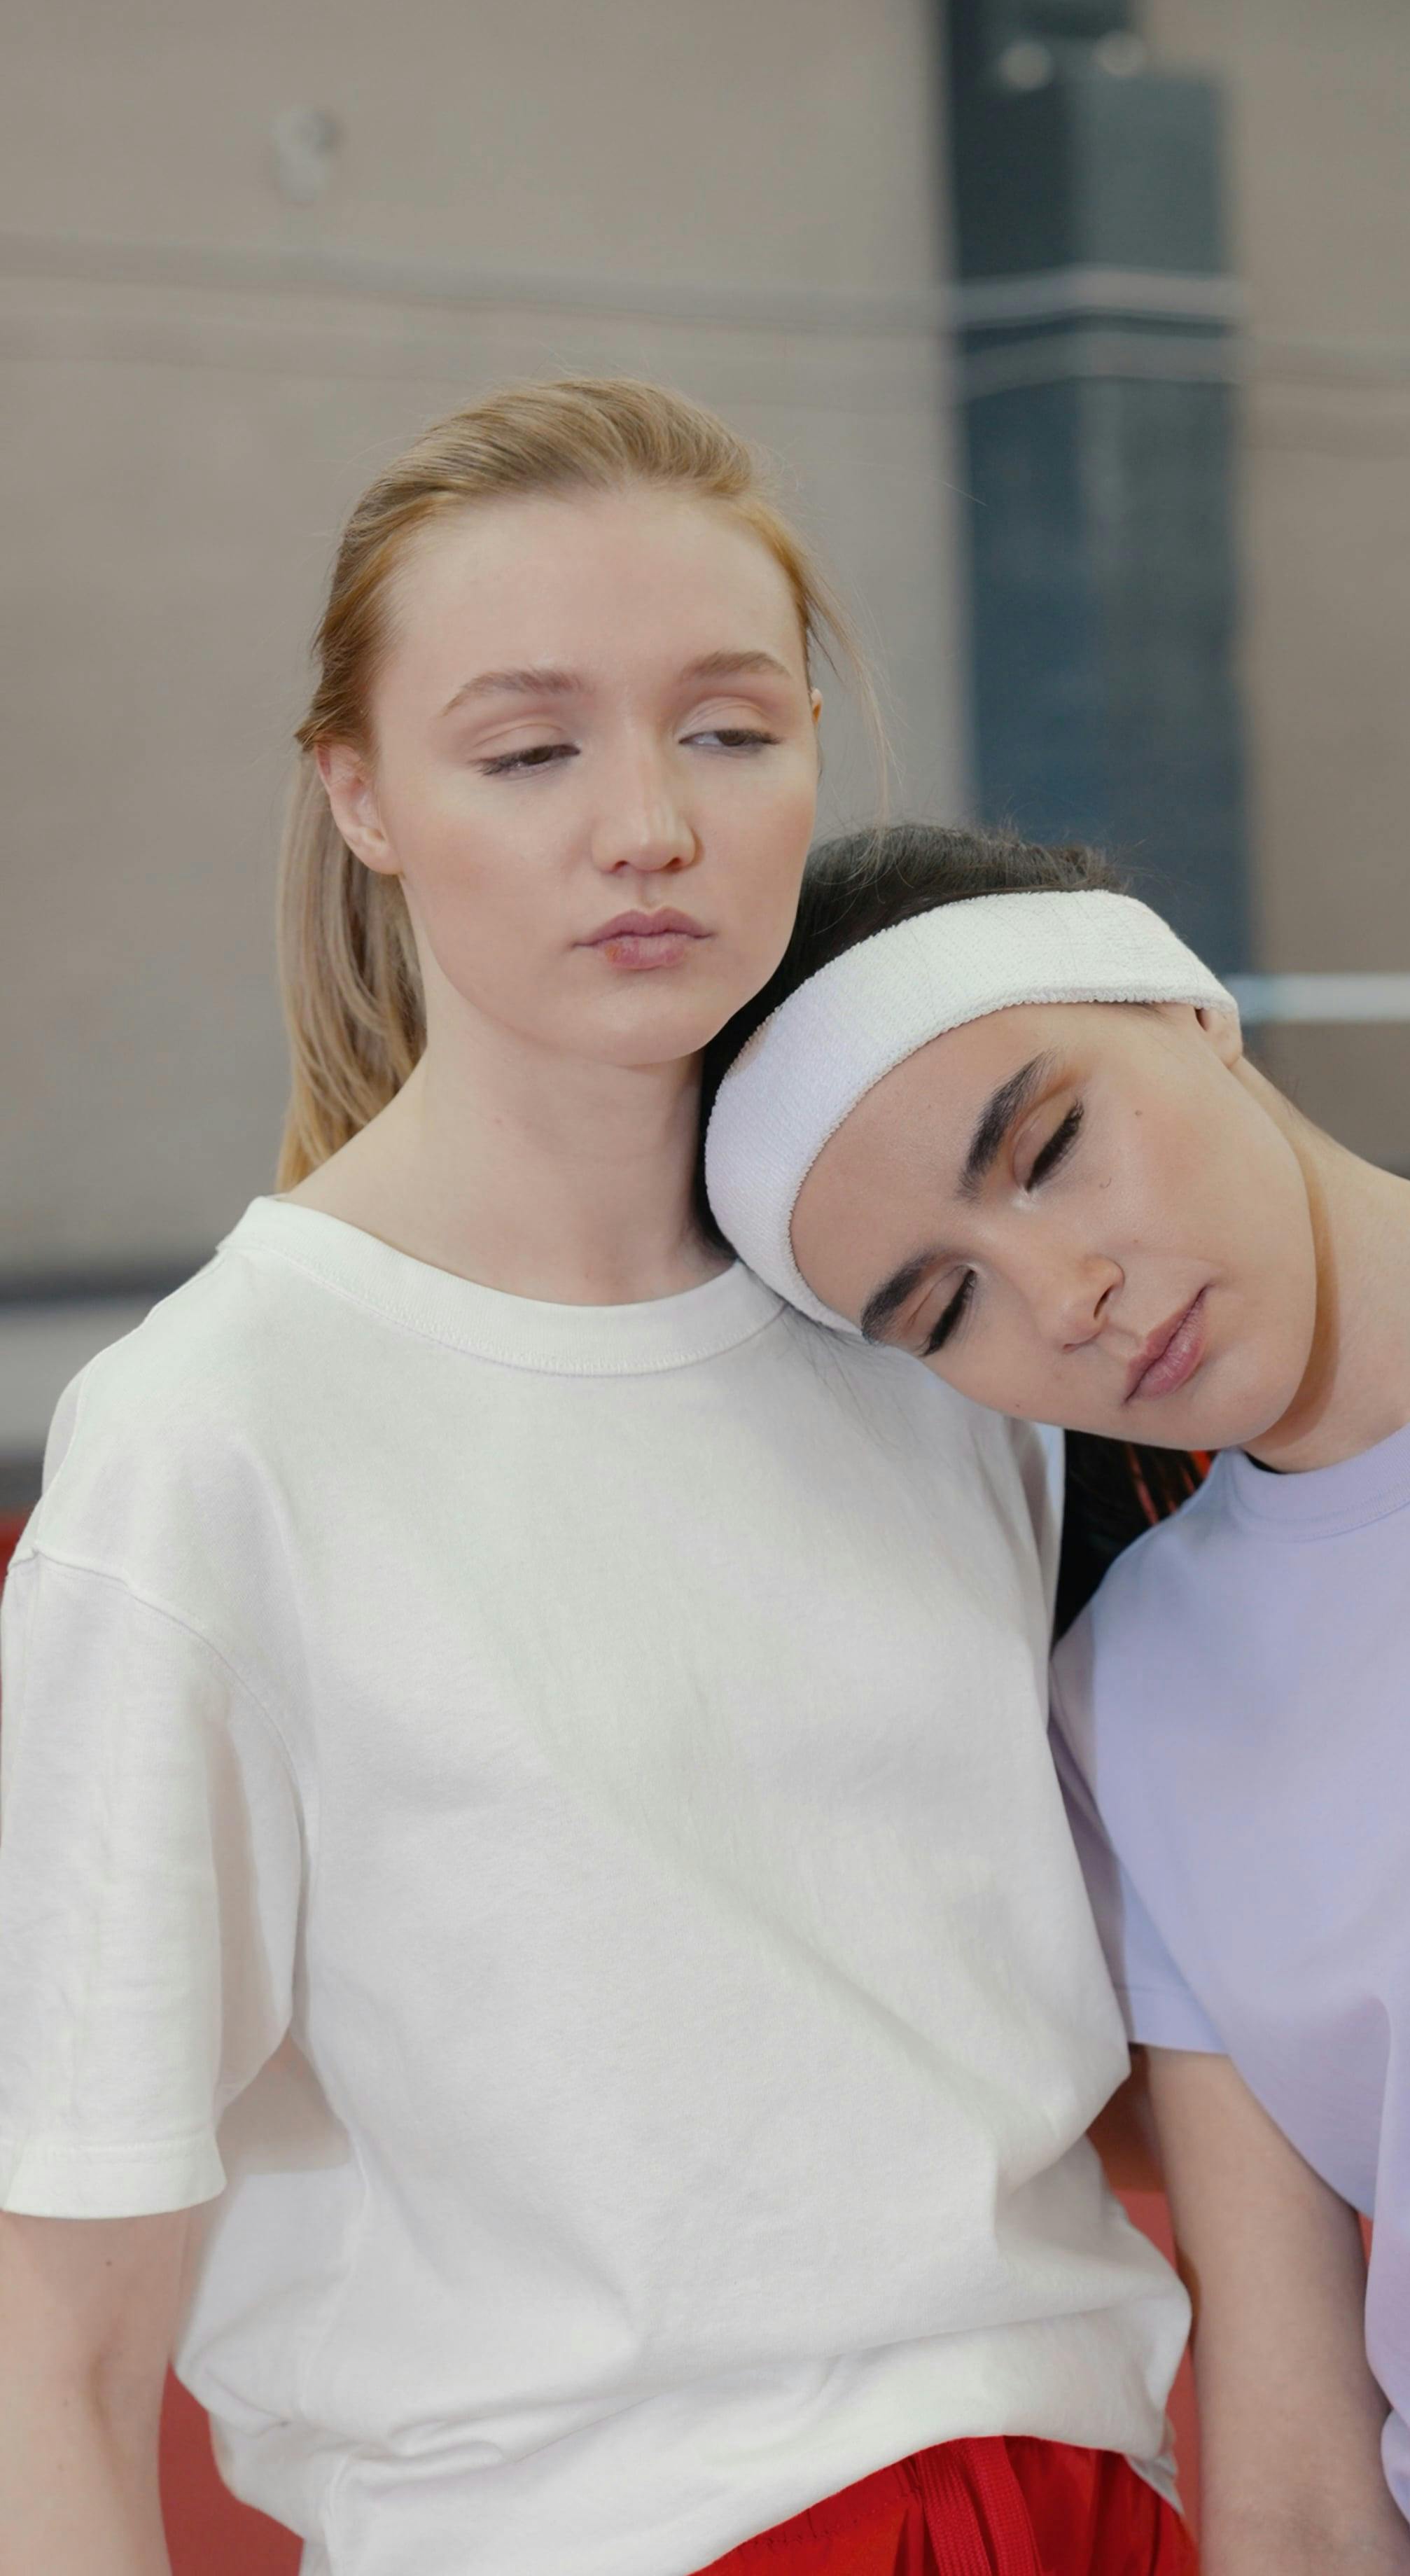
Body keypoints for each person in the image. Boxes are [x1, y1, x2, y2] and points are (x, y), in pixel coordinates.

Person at [0, 388, 1194, 2576]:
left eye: (728, 733)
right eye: (530, 749)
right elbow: (54, 2359)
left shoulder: (943, 1344)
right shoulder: (217, 1442)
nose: (646, 824)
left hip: (1090, 2500)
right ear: (361, 796)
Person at [703, 817, 1410, 2576]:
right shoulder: (1131, 1698)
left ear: (1187, 1010)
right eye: (944, 1308)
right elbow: (1298, 2475)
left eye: (1054, 1146)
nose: (1064, 1298)